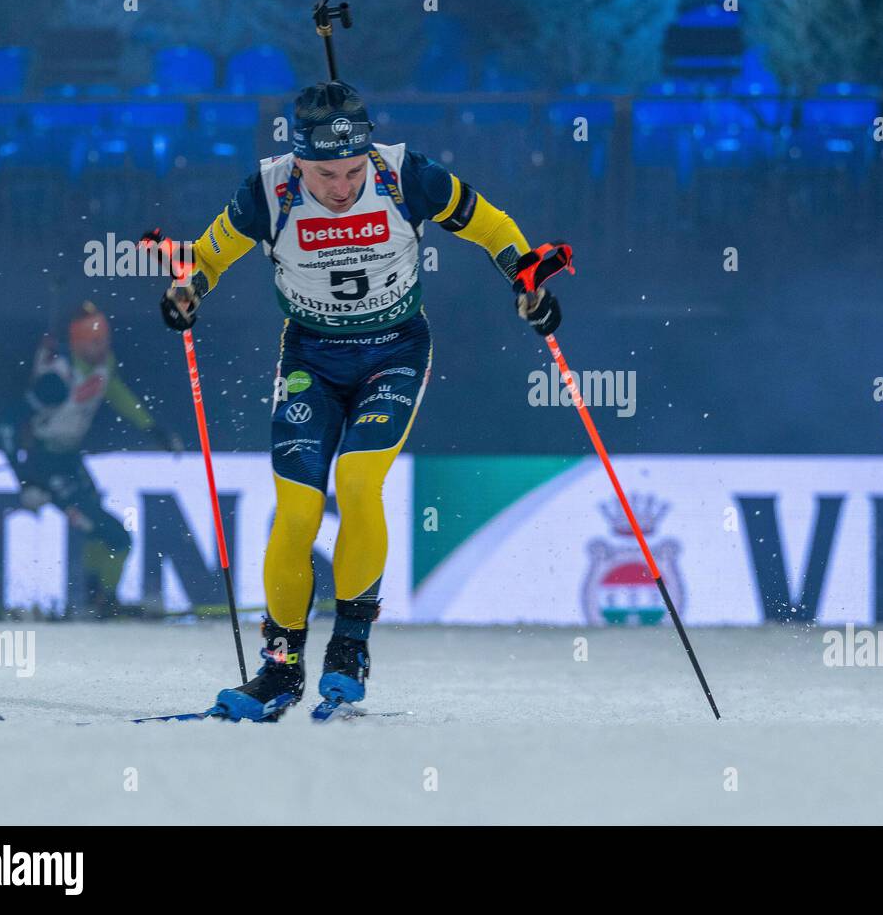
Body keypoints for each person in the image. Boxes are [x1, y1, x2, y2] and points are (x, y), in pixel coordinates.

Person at [146, 80, 569, 720]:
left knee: (357, 480)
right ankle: (280, 669)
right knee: (296, 510)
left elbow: (492, 226)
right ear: (299, 160)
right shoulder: (267, 191)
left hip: (394, 351)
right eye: (326, 174)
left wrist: (525, 280)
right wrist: (186, 292)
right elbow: (205, 258)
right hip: (311, 360)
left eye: (351, 170)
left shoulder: (406, 176)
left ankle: (349, 649)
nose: (342, 187)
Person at [0, 302, 183, 619]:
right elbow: (7, 423)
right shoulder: (57, 380)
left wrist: (153, 429)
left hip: (68, 459)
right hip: (45, 464)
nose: (101, 348)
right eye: (93, 342)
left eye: (104, 340)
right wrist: (26, 482)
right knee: (117, 537)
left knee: (97, 526)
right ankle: (104, 601)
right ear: (77, 343)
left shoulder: (103, 364)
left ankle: (95, 599)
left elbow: (116, 392)